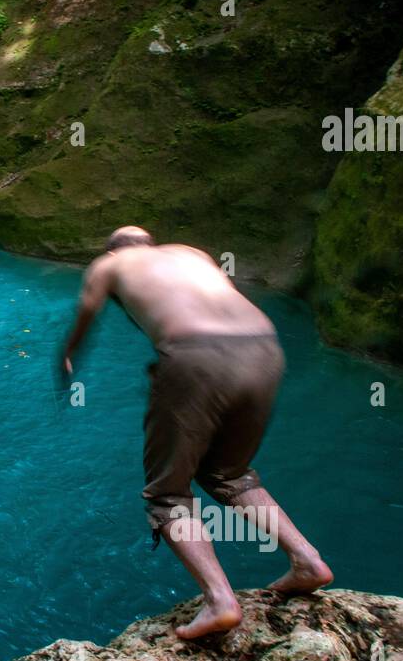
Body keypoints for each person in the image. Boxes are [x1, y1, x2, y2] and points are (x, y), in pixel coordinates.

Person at [60, 226, 332, 639]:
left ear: (112, 250)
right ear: (150, 244)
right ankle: (307, 560)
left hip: (195, 353)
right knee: (229, 472)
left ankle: (220, 602)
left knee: (167, 493)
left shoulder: (109, 264)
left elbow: (86, 314)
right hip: (264, 348)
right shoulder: (191, 253)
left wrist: (66, 357)